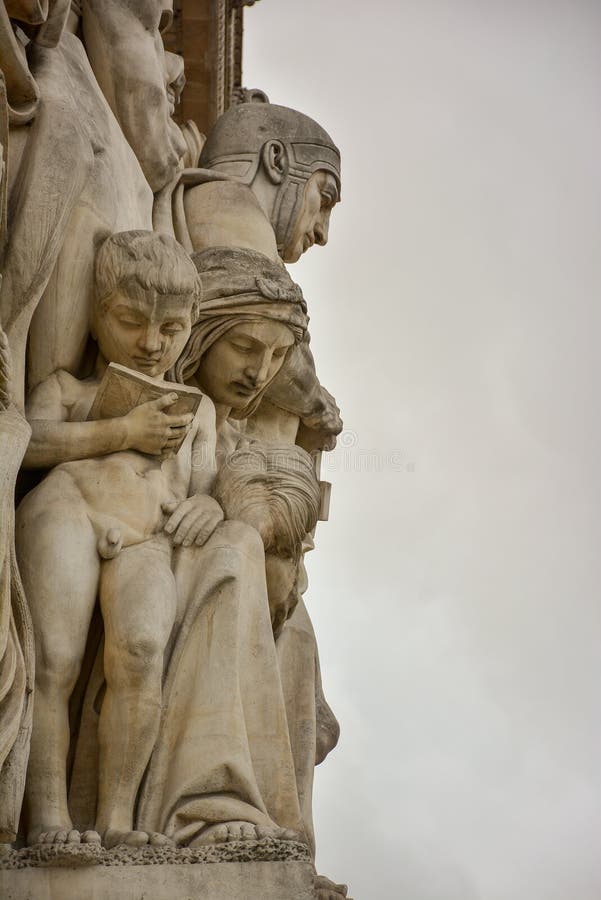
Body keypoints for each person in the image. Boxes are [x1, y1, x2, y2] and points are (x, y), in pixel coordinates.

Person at [15, 230, 223, 849]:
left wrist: (208, 505)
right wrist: (121, 429)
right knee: (55, 661)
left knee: (139, 654)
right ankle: (49, 817)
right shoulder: (63, 387)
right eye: (131, 321)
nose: (152, 344)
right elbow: (26, 441)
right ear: (98, 313)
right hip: (67, 509)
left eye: (173, 328)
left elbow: (207, 482)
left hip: (148, 536)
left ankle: (119, 822)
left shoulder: (200, 411)